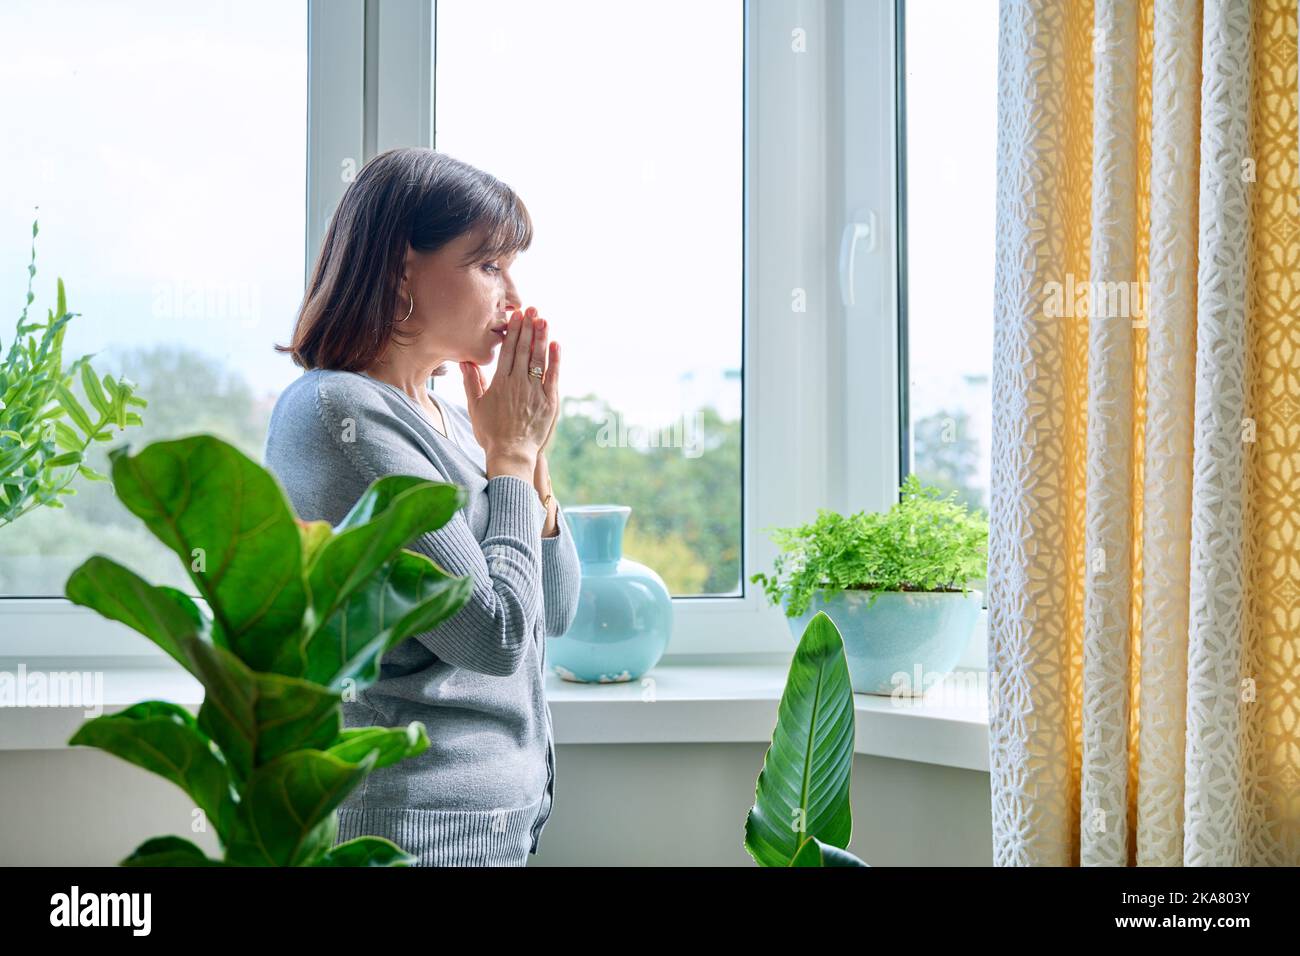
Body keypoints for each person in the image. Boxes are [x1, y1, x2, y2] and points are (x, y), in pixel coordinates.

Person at [264, 146, 581, 866]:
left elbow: (551, 613)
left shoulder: (456, 420)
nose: (513, 295)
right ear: (403, 267)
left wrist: (533, 461)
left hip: (495, 824)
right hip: (409, 831)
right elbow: (492, 639)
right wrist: (509, 460)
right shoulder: (338, 413)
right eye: (489, 264)